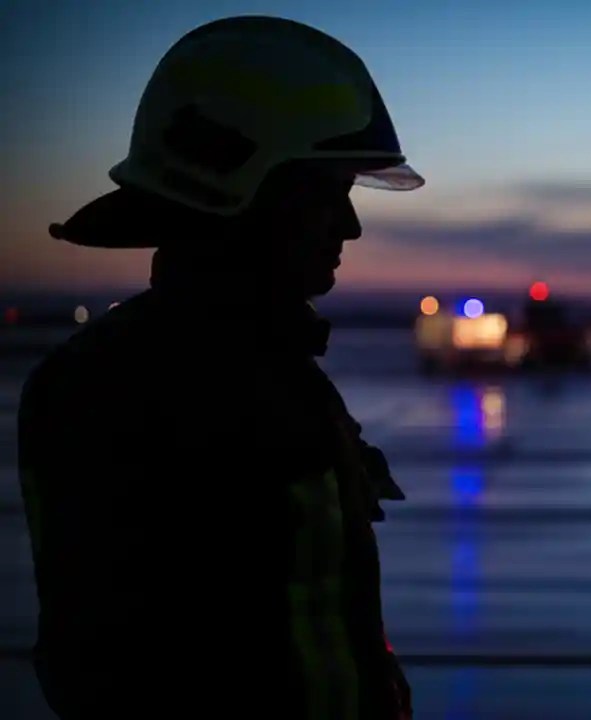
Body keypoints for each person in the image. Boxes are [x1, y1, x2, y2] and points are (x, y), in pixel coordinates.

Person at [17, 16, 423, 719]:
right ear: (239, 188)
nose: (349, 227)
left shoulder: (268, 372)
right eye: (328, 193)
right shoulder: (127, 394)